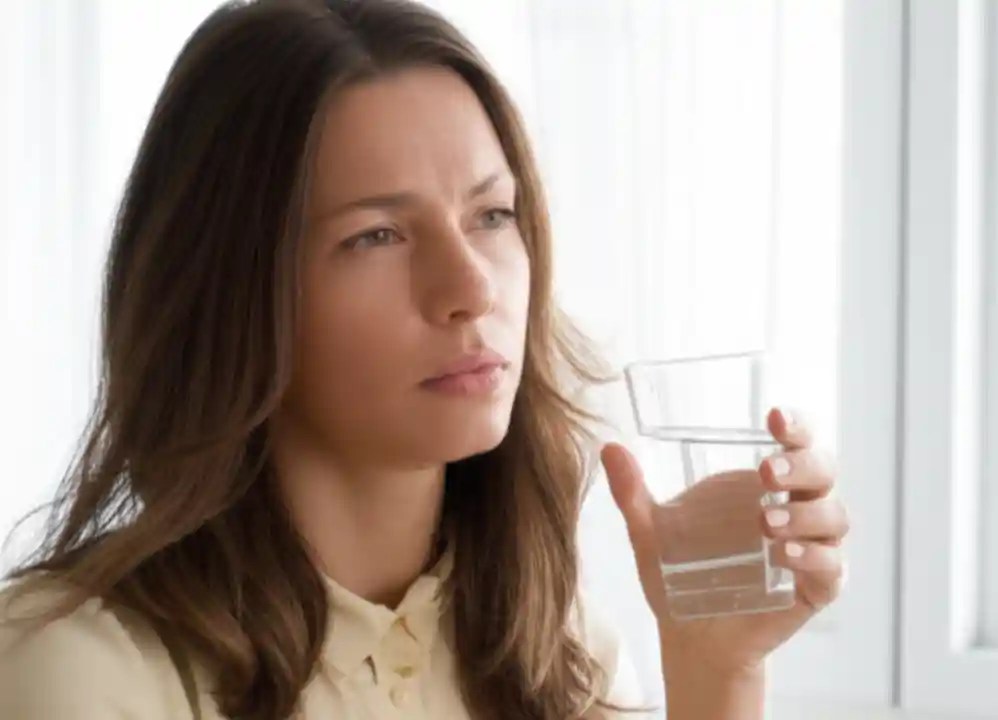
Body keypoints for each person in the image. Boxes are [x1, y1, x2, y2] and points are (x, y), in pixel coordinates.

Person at [0, 1, 849, 718]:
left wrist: (717, 669)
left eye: (491, 215)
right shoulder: (78, 670)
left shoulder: (560, 653)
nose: (470, 288)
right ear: (230, 288)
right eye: (376, 235)